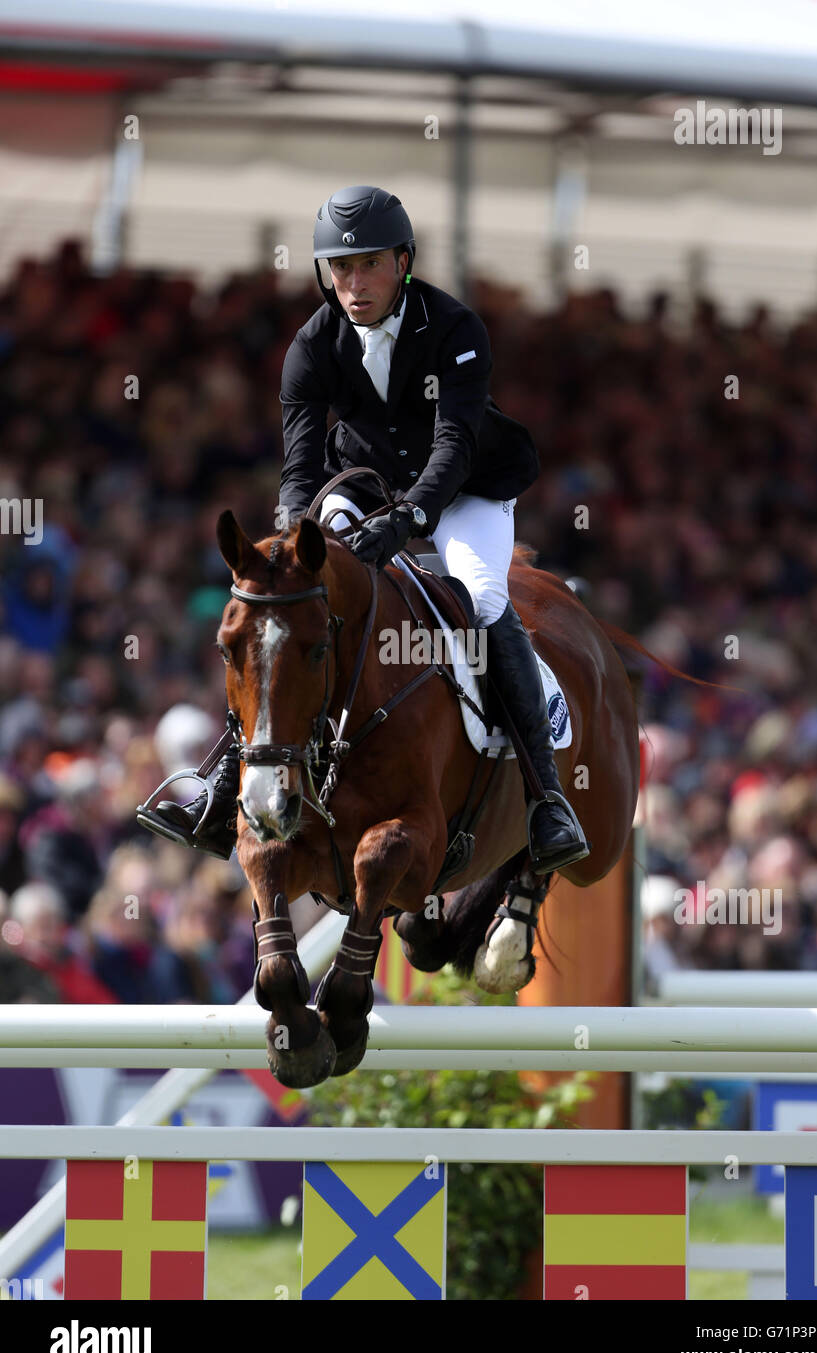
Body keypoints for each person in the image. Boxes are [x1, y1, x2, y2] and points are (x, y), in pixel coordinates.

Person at [138, 185, 589, 875]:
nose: (352, 284)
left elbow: (455, 445)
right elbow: (301, 461)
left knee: (483, 599)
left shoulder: (454, 328)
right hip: (362, 490)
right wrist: (294, 534)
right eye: (339, 269)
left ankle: (546, 798)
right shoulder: (312, 345)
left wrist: (412, 519)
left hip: (466, 493)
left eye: (368, 265)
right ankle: (225, 782)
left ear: (403, 262)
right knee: (289, 605)